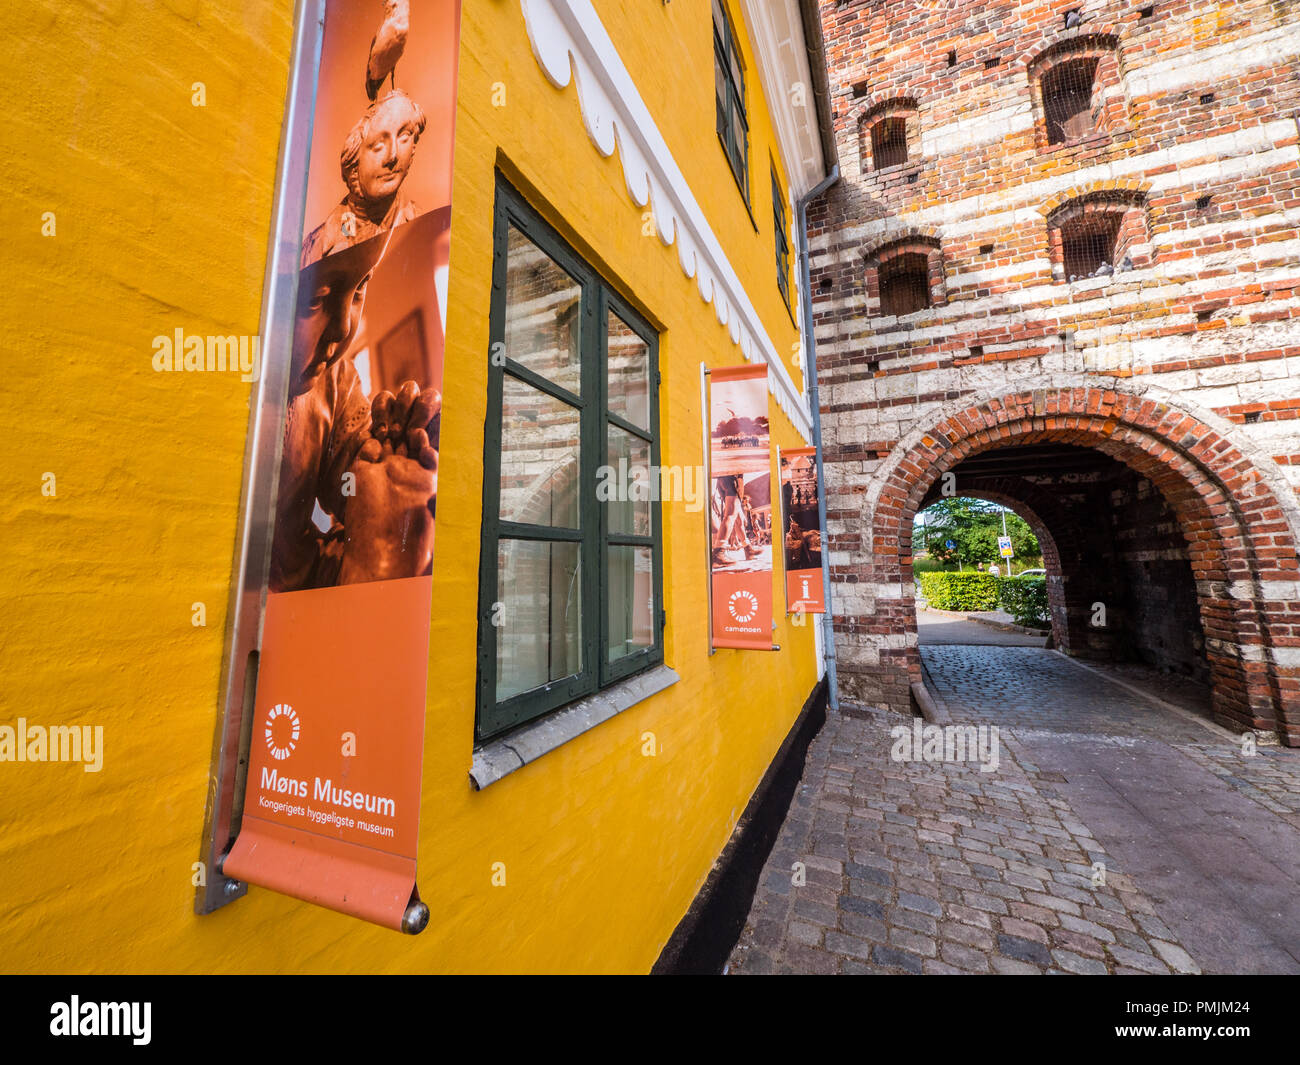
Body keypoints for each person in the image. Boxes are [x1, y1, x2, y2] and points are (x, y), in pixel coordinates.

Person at [271, 228, 438, 592]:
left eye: (360, 289)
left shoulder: (337, 380)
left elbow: (358, 488)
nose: (345, 327)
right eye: (316, 299)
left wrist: (394, 485)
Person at [301, 89, 427, 268]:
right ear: (353, 164)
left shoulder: (425, 232)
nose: (393, 155)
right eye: (378, 145)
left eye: (404, 136)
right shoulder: (315, 249)